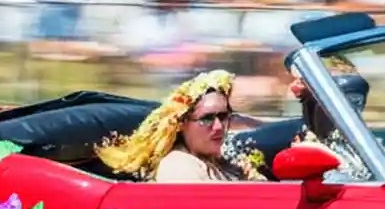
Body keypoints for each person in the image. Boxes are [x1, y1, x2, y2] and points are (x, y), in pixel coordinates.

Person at [96, 70, 266, 182]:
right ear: (182, 124)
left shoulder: (223, 163)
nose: (218, 127)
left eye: (223, 116)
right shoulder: (179, 166)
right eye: (207, 119)